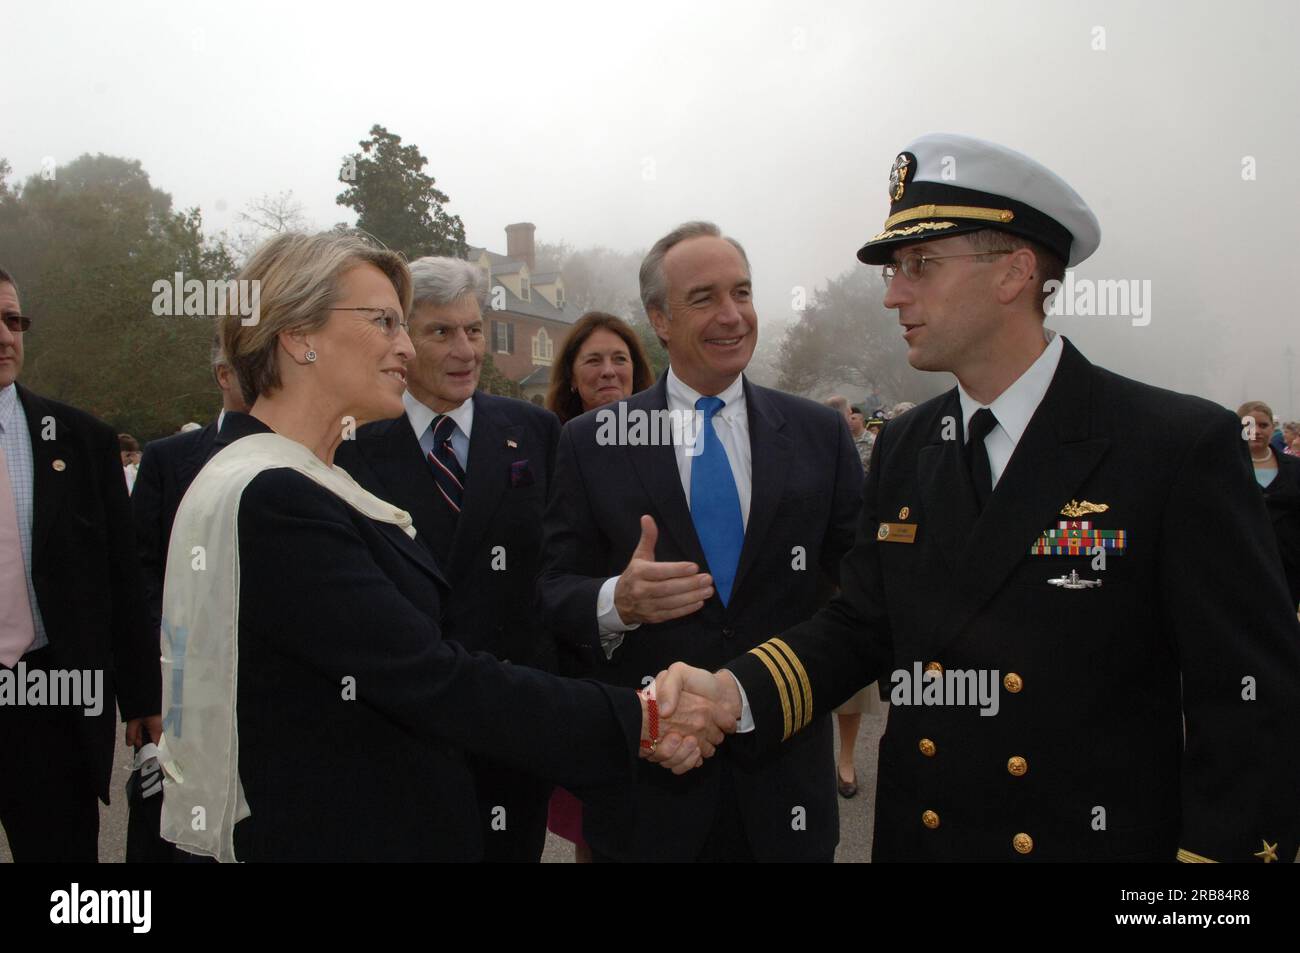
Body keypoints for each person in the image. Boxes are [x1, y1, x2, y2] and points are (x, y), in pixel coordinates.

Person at [661, 134, 1300, 863]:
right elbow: (862, 627)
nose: (893, 292)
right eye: (896, 268)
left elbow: (1250, 703)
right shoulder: (905, 446)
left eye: (919, 265)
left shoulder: (1172, 447)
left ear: (1015, 273)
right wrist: (730, 693)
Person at [157, 232, 724, 863]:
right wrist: (640, 719)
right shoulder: (276, 496)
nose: (405, 347)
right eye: (384, 322)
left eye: (407, 326)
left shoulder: (280, 474)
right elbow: (430, 676)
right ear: (297, 335)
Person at [539, 222, 863, 862]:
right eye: (705, 298)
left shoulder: (820, 435)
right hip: (650, 794)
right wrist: (616, 602)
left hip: (785, 786)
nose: (732, 315)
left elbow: (864, 595)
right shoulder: (591, 442)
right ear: (659, 318)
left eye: (742, 293)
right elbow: (551, 591)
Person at [335, 256, 560, 862]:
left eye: (475, 329)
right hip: (399, 728)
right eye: (442, 332)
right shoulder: (347, 444)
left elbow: (556, 569)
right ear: (402, 337)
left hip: (512, 721)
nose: (466, 350)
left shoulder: (534, 430)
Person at [0, 265, 161, 862]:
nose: (5, 335)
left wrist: (143, 698)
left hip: (49, 699)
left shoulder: (80, 441)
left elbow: (122, 575)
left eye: (14, 320)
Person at [542, 310, 654, 862]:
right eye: (594, 360)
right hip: (582, 665)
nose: (609, 371)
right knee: (596, 830)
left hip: (665, 658)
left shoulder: (672, 445)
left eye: (620, 359)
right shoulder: (547, 446)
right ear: (571, 376)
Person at [1239, 400, 1300, 607]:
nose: (1256, 431)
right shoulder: (1227, 470)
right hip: (1246, 561)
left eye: (1263, 425)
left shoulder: (1295, 468)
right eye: (1248, 425)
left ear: (1273, 428)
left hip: (1290, 564)